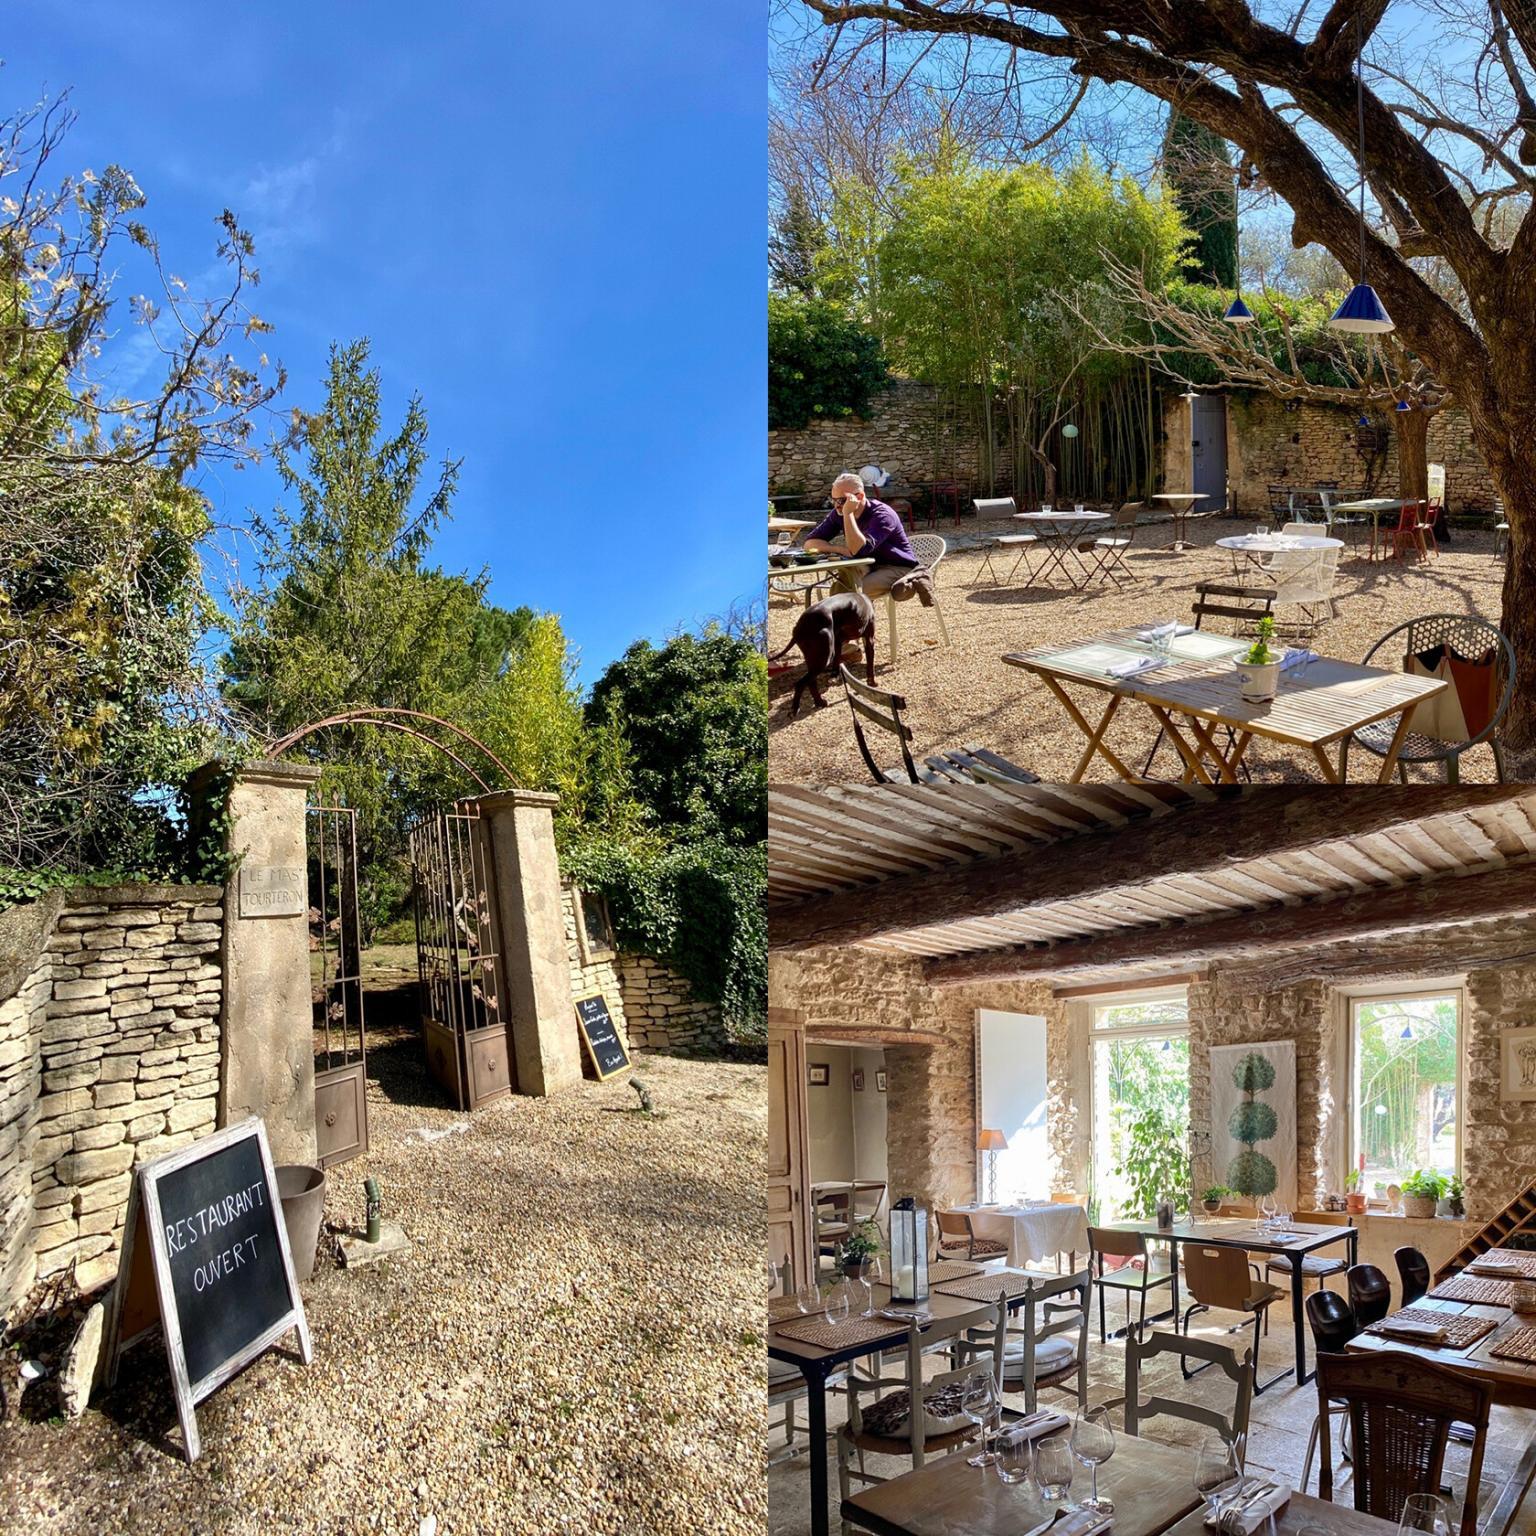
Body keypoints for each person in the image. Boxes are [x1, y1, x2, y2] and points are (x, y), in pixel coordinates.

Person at [802, 472, 934, 605]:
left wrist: (848, 514)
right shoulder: (838, 513)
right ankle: (854, 624)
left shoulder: (882, 515)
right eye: (833, 500)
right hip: (866, 565)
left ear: (859, 496)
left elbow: (859, 550)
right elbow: (809, 543)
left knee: (855, 593)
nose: (837, 506)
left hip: (895, 566)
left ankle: (913, 580)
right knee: (837, 591)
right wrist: (839, 549)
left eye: (842, 500)